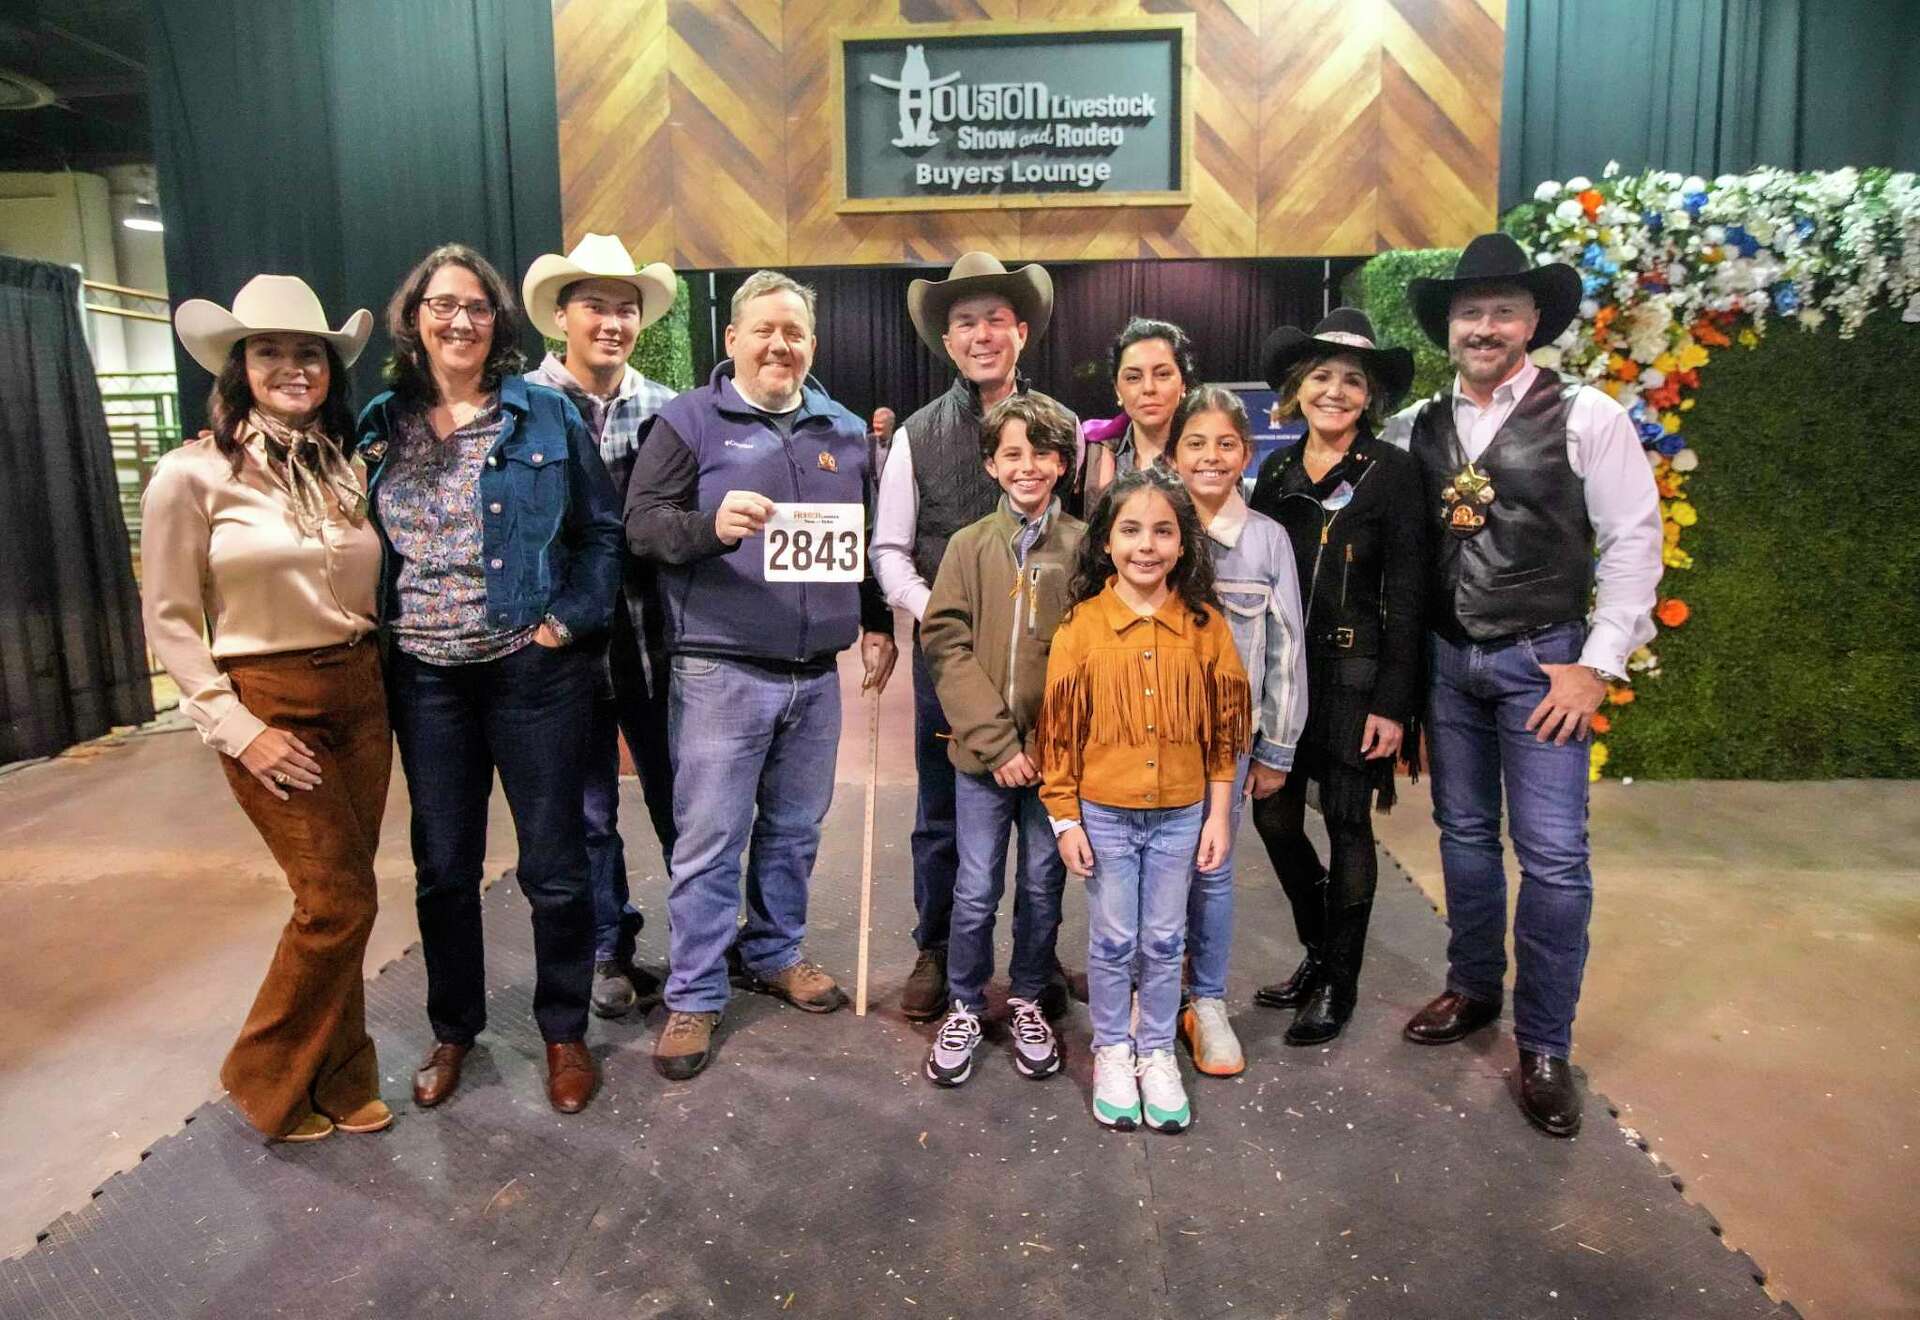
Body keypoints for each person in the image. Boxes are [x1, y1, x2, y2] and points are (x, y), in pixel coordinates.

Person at [1386, 234, 1662, 1137]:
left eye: (1503, 310)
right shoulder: (1417, 425)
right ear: (1448, 327)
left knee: (1552, 859)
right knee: (1463, 836)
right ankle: (1473, 988)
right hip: (1447, 663)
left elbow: (1632, 544)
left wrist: (1597, 662)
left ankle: (1545, 1044)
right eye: (1471, 312)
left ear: (1533, 322)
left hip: (1545, 662)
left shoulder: (1588, 417)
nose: (1486, 326)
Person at [358, 243, 623, 1116]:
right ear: (415, 318)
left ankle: (562, 1032)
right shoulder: (378, 423)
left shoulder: (544, 416)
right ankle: (453, 1029)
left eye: (475, 307)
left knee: (554, 866)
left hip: (529, 669)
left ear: (497, 321)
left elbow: (601, 537)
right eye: (442, 306)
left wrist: (565, 624)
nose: (459, 321)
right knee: (442, 868)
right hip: (425, 678)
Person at [626, 269, 898, 1081]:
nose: (781, 344)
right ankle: (695, 991)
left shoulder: (845, 430)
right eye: (766, 330)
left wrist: (879, 624)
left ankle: (774, 952)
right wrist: (709, 526)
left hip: (816, 677)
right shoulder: (689, 421)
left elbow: (873, 543)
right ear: (733, 339)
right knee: (710, 840)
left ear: (811, 345)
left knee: (794, 831)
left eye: (796, 333)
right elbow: (641, 527)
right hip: (718, 670)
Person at [143, 275, 388, 1143]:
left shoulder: (348, 467)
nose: (292, 366)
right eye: (270, 350)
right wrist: (236, 728)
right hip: (269, 700)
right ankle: (264, 1073)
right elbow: (170, 621)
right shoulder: (190, 475)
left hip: (362, 697)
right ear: (238, 366)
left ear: (329, 368)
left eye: (308, 352)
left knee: (349, 893)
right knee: (335, 901)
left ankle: (345, 1072)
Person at [873, 251, 1076, 1022]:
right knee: (942, 812)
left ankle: (1037, 949)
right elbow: (890, 552)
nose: (982, 334)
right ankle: (937, 947)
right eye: (966, 323)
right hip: (948, 658)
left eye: (996, 319)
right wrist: (946, 617)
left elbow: (1082, 543)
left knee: (1048, 806)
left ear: (1020, 332)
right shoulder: (916, 437)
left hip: (1046, 661)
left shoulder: (1059, 430)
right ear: (948, 341)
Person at [1039, 471, 1250, 1134]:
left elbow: (1224, 734)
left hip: (1183, 813)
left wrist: (1217, 815)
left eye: (1163, 530)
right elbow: (1059, 732)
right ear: (1106, 541)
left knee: (1164, 939)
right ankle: (1111, 1049)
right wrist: (1064, 815)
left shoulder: (1206, 627)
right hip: (1104, 813)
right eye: (1130, 530)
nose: (1147, 545)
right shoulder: (1081, 626)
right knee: (1111, 939)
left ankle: (1155, 1049)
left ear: (1185, 543)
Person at [1247, 309, 1424, 1047]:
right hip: (1288, 675)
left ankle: (1339, 984)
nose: (1335, 391)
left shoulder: (1395, 473)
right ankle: (1319, 951)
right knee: (1275, 816)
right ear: (1298, 387)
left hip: (1357, 678)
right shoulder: (1280, 471)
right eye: (1321, 376)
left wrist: (1394, 703)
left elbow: (1412, 593)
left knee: (1350, 826)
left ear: (1369, 397)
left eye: (1352, 381)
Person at [522, 233, 681, 1019]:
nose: (612, 322)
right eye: (595, 306)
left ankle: (700, 947)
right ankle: (607, 947)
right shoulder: (521, 409)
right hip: (561, 647)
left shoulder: (667, 411)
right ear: (562, 316)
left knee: (680, 801)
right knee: (586, 812)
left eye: (625, 308)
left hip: (655, 642)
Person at [919, 393, 1085, 1088]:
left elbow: (1088, 653)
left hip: (1053, 764)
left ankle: (1026, 999)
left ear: (1063, 464)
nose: (1028, 466)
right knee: (978, 886)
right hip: (983, 762)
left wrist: (1052, 746)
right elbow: (944, 640)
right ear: (991, 464)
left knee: (1044, 887)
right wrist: (996, 741)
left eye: (1043, 452)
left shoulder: (1083, 546)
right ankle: (963, 1001)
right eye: (1012, 453)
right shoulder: (967, 546)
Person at [1165, 385, 1307, 1075]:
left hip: (1229, 745)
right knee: (1145, 869)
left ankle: (1208, 999)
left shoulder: (1267, 541)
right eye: (1195, 443)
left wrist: (1275, 747)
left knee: (1212, 872)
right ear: (1173, 453)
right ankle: (1150, 994)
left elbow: (1286, 650)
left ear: (1247, 453)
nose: (1211, 457)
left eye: (1226, 443)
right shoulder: (1151, 528)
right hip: (1149, 744)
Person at [1080, 318, 1197, 509]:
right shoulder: (1092, 454)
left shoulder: (1209, 454)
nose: (1148, 388)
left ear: (1183, 384)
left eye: (1162, 374)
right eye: (1133, 377)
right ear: (1118, 389)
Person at [869, 405, 897, 473]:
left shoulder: (898, 443)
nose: (876, 426)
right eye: (875, 422)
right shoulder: (867, 441)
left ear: (891, 425)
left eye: (880, 423)